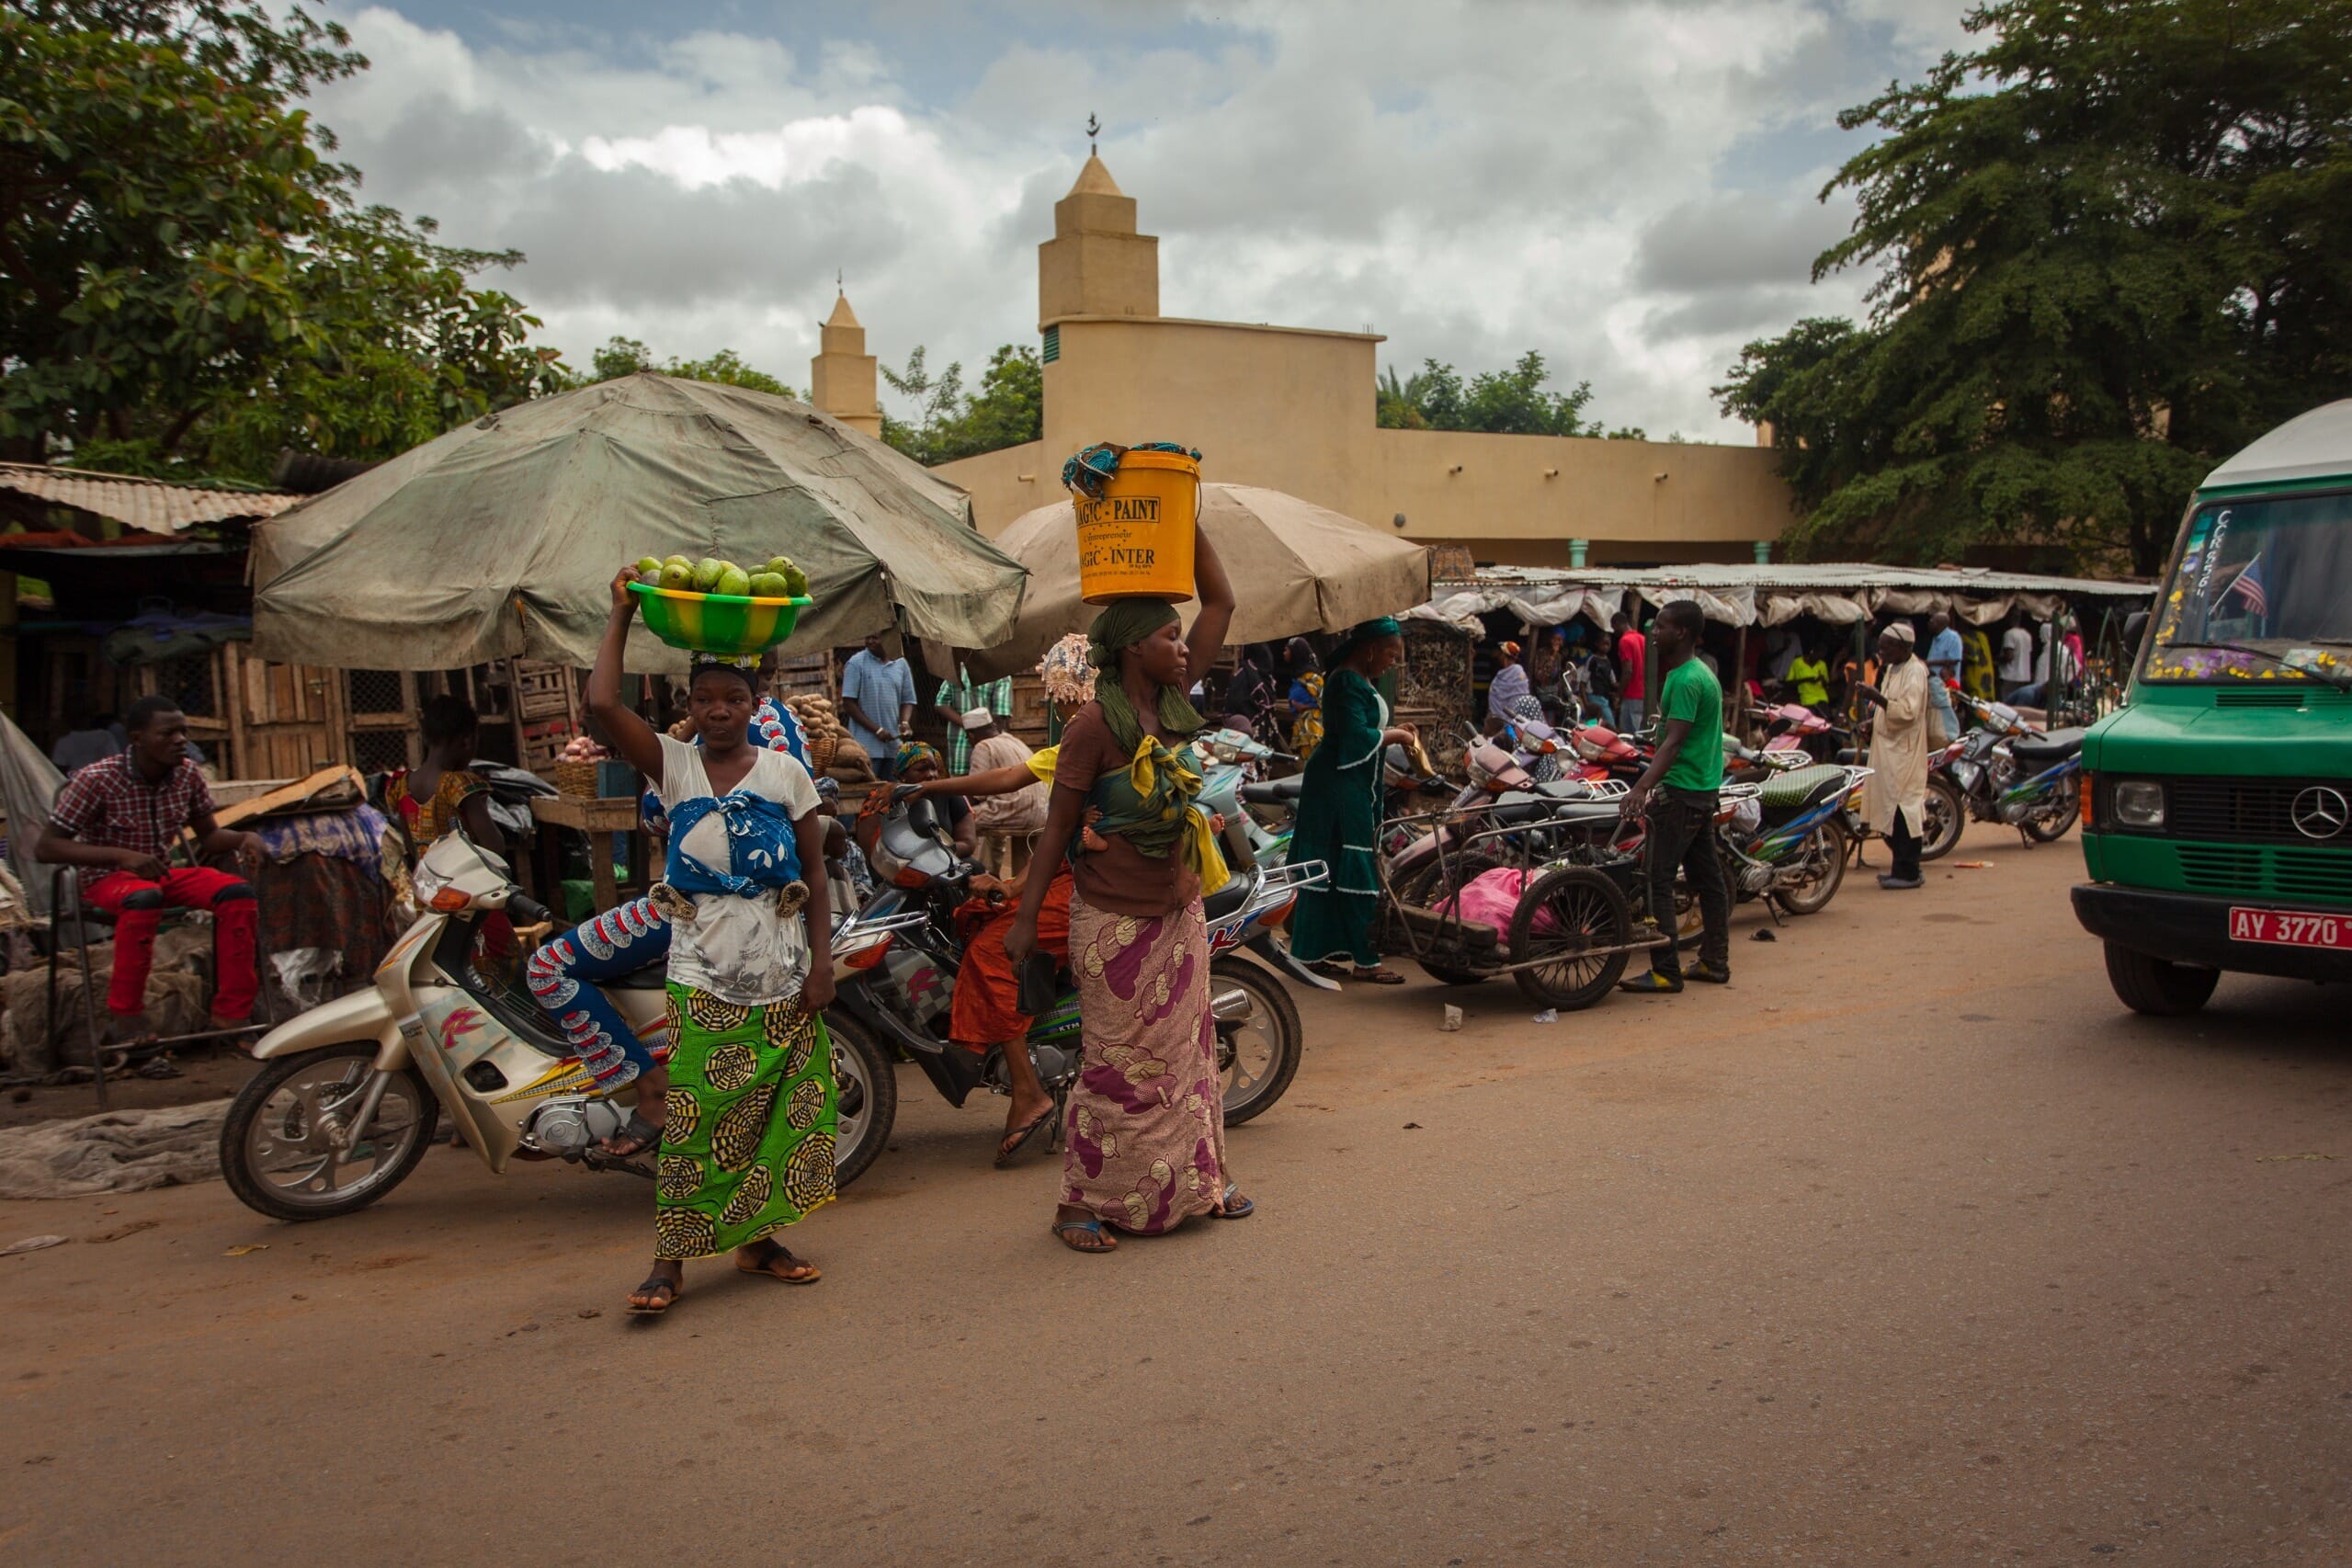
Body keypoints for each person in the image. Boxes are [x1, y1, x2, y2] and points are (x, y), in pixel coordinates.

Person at [577, 565, 837, 1317]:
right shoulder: (675, 764)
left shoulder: (785, 774)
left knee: (773, 1118)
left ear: (755, 706)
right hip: (703, 974)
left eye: (732, 699)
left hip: (782, 974)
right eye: (704, 700)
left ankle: (758, 1242)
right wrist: (620, 614)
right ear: (687, 708)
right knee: (694, 1119)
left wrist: (822, 964)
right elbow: (602, 704)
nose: (718, 711)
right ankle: (669, 1261)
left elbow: (815, 873)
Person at [1005, 524, 1246, 1254]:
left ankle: (1199, 1182)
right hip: (1114, 924)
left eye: (1180, 636)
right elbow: (1057, 826)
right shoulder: (1091, 727)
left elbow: (1221, 602)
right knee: (1117, 1070)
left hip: (1178, 912)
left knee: (1189, 1058)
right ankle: (1080, 1204)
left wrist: (1188, 517)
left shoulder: (1172, 705)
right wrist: (1024, 921)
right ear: (1135, 648)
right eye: (1170, 637)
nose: (1183, 647)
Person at [908, 635, 1104, 1165]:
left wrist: (1019, 889)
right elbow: (1007, 781)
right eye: (1058, 699)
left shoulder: (1098, 742)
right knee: (977, 918)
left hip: (1091, 885)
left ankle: (1028, 1090)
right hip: (1066, 873)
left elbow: (1062, 829)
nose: (1060, 709)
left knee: (992, 952)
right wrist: (928, 790)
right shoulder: (1076, 744)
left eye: (1065, 697)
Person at [35, 694, 265, 1040]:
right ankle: (127, 1015)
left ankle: (232, 1013)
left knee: (237, 893)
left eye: (183, 732)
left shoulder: (187, 774)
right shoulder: (96, 778)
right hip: (108, 880)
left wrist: (244, 837)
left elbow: (210, 836)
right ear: (137, 738)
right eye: (168, 733)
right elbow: (46, 847)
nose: (180, 740)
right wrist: (121, 857)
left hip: (161, 875)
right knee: (144, 898)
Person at [1289, 617, 1418, 985]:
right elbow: (1354, 737)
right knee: (1350, 861)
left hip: (1350, 780)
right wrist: (1395, 736)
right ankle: (1365, 961)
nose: (1392, 662)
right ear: (1371, 649)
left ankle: (1313, 955)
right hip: (1337, 784)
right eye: (1391, 654)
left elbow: (1365, 729)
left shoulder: (1357, 679)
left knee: (1333, 863)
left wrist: (1394, 731)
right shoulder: (1345, 681)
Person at [1615, 600, 1730, 994]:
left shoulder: (1685, 679)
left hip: (1682, 792)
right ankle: (1714, 962)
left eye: (1661, 627)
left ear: (1681, 632)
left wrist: (1641, 787)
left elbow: (1675, 742)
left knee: (1657, 880)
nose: (1654, 634)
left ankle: (1665, 971)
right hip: (1702, 789)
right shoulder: (1699, 674)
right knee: (1709, 881)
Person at [384, 695, 503, 863]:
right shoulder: (458, 786)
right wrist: (481, 804)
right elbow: (495, 846)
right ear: (467, 741)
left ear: (426, 737)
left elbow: (410, 846)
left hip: (426, 878)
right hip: (463, 878)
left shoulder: (401, 785)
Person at [1858, 621, 1930, 890]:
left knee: (1903, 810)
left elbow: (1908, 712)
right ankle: (1900, 868)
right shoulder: (1892, 668)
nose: (1882, 653)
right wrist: (1872, 722)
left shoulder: (1916, 672)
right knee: (1889, 809)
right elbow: (1888, 707)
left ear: (1904, 647)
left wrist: (1875, 697)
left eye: (1887, 648)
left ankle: (1909, 872)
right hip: (1887, 750)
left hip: (1904, 753)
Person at [840, 631, 916, 781]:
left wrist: (904, 723)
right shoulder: (856, 663)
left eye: (875, 638)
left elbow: (908, 700)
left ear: (888, 639)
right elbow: (848, 703)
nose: (870, 642)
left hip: (893, 746)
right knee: (868, 789)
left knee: (893, 790)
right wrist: (877, 730)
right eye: (867, 637)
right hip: (866, 747)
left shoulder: (901, 664)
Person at [960, 709, 1049, 835]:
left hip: (1015, 813)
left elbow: (975, 793)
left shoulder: (983, 746)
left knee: (961, 819)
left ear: (971, 735)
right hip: (1041, 815)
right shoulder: (1015, 741)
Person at [933, 662, 1011, 777]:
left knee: (959, 785)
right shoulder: (1001, 675)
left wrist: (967, 724)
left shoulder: (956, 671)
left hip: (958, 752)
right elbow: (1000, 714)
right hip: (987, 752)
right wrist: (974, 724)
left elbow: (940, 704)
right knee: (985, 783)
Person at [1221, 643, 1280, 739]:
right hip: (1261, 730)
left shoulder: (1246, 675)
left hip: (1247, 730)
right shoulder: (1264, 677)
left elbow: (1234, 701)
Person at [1925, 612, 1964, 748]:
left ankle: (1949, 743)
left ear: (1941, 624)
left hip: (1947, 684)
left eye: (1933, 621)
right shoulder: (1936, 638)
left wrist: (1929, 663)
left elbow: (1955, 659)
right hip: (1934, 684)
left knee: (1947, 715)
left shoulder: (1953, 638)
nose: (1930, 623)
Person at [1286, 639, 1326, 761]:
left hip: (1313, 729)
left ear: (1296, 653)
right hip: (1304, 729)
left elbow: (1324, 699)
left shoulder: (1311, 675)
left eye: (1286, 650)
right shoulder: (1299, 674)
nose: (1284, 653)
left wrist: (1304, 707)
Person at [50, 713, 121, 775]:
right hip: (102, 782)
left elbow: (58, 771)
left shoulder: (63, 742)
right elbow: (116, 762)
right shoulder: (105, 736)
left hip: (76, 782)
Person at [1614, 611, 1648, 732]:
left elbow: (1628, 670)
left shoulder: (1625, 641)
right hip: (1644, 694)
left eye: (1614, 627)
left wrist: (1619, 694)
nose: (1614, 632)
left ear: (1617, 623)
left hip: (1631, 695)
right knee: (1641, 732)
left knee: (1629, 736)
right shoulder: (1643, 639)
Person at [1486, 638, 1529, 721]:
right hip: (1499, 719)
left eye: (1501, 653)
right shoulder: (1502, 674)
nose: (1499, 656)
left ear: (1504, 656)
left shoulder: (1517, 673)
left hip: (1511, 720)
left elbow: (1518, 698)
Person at [1786, 642, 1830, 713]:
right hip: (1806, 699)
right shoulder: (1797, 662)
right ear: (1812, 651)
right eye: (1818, 654)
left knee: (1824, 716)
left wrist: (1822, 679)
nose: (1819, 658)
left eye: (1822, 656)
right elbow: (1788, 683)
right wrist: (1807, 680)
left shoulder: (1822, 664)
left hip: (1821, 697)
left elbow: (1826, 685)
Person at [1998, 616, 2035, 699]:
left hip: (2009, 676)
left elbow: (2009, 656)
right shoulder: (2027, 635)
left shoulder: (2009, 634)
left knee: (2007, 702)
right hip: (2024, 677)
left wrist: (1997, 660)